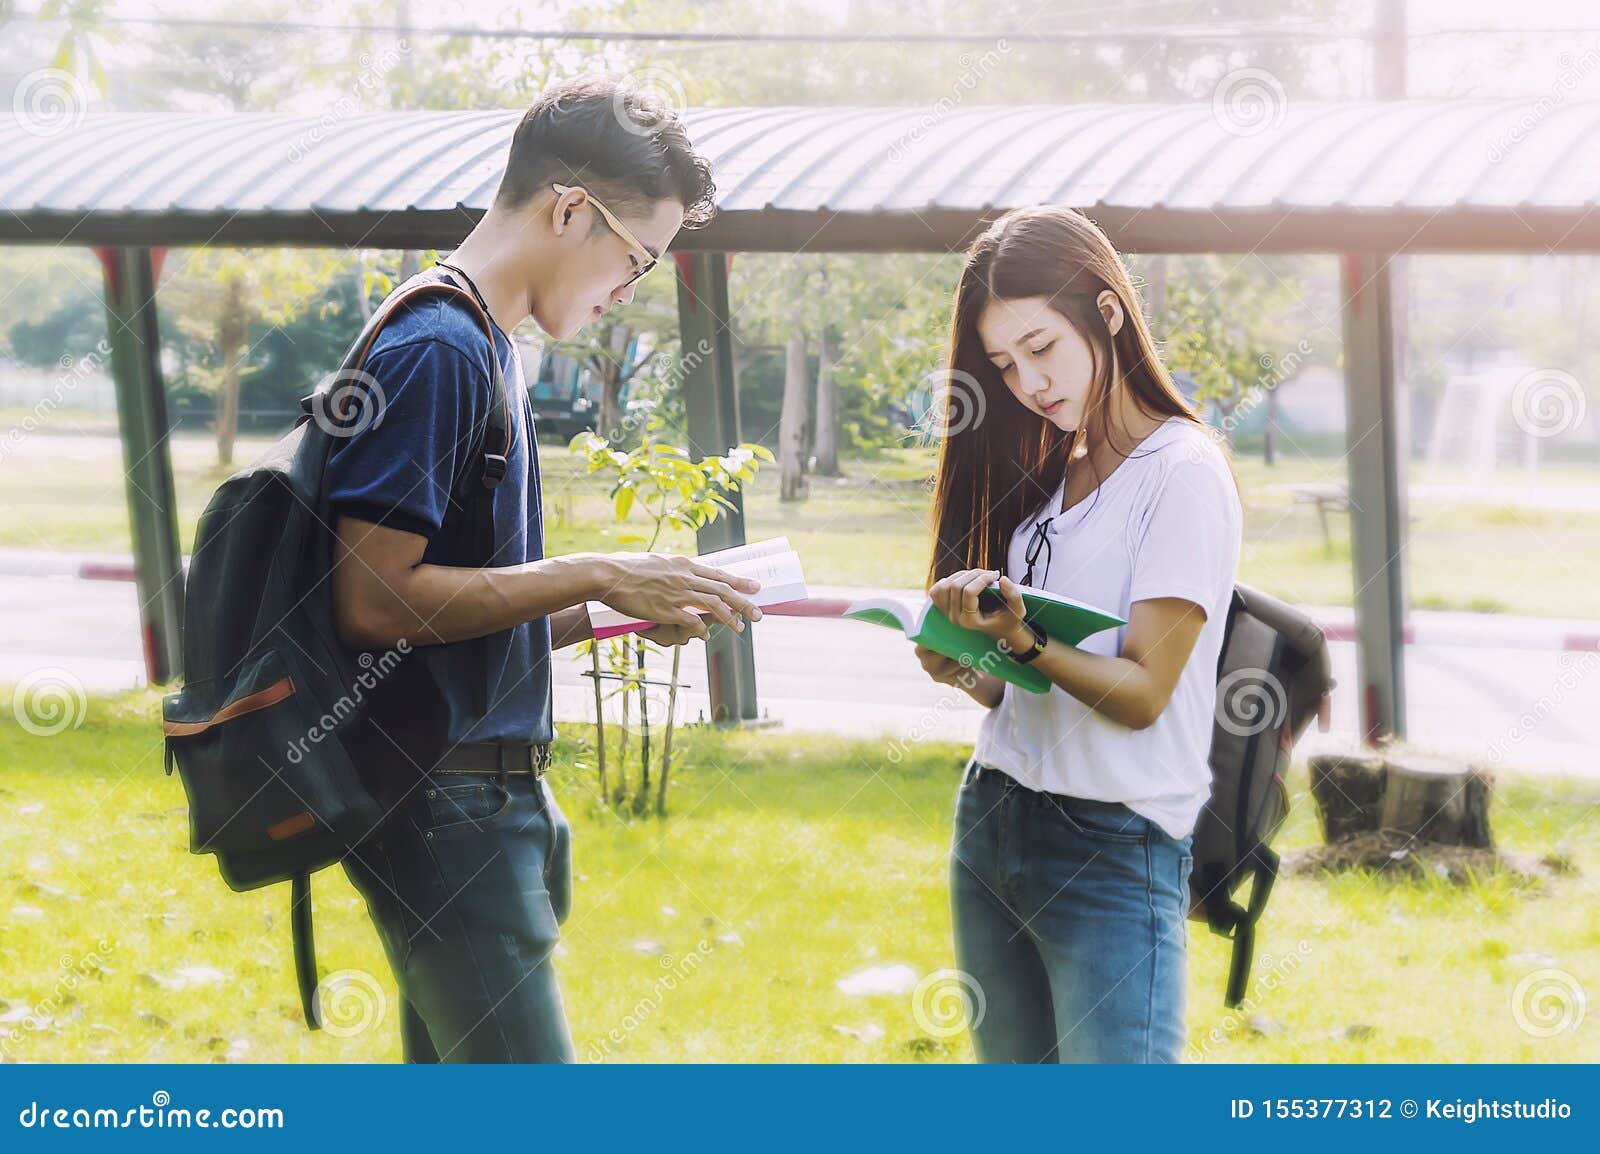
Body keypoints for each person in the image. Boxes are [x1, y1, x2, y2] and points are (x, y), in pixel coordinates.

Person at [323, 76, 761, 1063]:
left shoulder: (481, 342)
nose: (626, 292)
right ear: (569, 209)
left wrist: (617, 604)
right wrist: (595, 570)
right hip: (449, 810)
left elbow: (448, 619)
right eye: (636, 259)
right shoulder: (438, 345)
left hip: (479, 805)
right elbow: (373, 596)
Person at [915, 205, 1242, 1063]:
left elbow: (1141, 695)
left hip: (1113, 848)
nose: (1028, 382)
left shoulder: (1181, 474)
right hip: (995, 817)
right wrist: (960, 657)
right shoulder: (1054, 469)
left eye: (1040, 347)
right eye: (1003, 364)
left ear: (1106, 312)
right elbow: (1019, 688)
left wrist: (1023, 643)